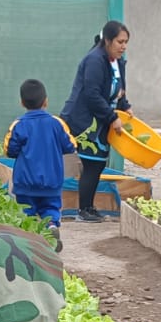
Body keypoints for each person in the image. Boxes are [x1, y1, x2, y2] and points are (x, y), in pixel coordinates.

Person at [61, 20, 131, 224]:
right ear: (107, 41)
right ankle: (84, 210)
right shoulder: (95, 60)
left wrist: (125, 106)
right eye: (120, 41)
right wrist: (112, 117)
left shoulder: (116, 62)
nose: (123, 46)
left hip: (101, 119)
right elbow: (92, 95)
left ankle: (89, 207)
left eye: (126, 42)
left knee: (98, 163)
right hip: (85, 119)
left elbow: (119, 90)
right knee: (92, 164)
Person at [5, 79, 75, 249]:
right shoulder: (56, 124)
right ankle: (50, 227)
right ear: (46, 101)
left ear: (22, 102)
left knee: (26, 211)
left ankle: (28, 242)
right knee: (50, 208)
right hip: (51, 181)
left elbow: (9, 150)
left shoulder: (19, 125)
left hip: (25, 182)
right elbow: (71, 145)